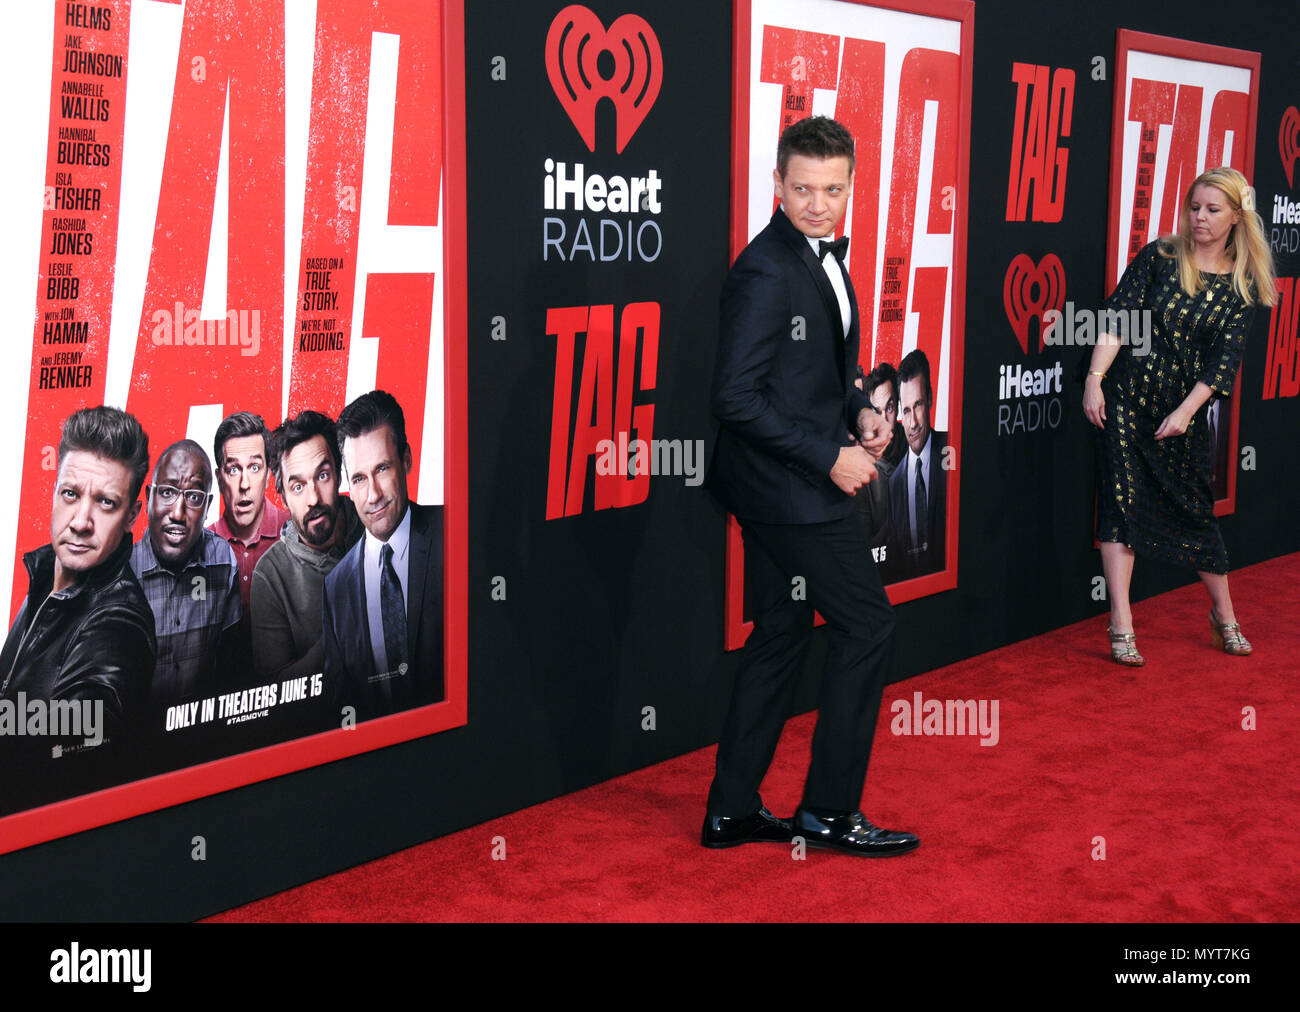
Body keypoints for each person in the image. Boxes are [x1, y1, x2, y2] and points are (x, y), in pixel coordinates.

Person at [704, 116, 918, 857]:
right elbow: (733, 397)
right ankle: (828, 811)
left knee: (783, 631)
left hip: (773, 485)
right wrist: (828, 458)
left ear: (852, 187)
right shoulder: (766, 268)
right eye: (802, 188)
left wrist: (859, 408)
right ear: (777, 186)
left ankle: (731, 810)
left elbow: (816, 374)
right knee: (868, 627)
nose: (817, 204)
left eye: (831, 189)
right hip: (787, 490)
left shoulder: (822, 260)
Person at [1083, 166, 1276, 665]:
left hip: (1181, 414)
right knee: (1120, 502)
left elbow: (1222, 364)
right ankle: (1121, 623)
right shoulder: (1161, 257)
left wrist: (1187, 413)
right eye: (1195, 207)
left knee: (1194, 512)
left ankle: (1222, 615)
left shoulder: (1243, 285)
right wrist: (1094, 379)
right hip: (1126, 398)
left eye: (1213, 210)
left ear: (1236, 216)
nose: (1200, 218)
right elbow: (1120, 317)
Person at [0, 406, 156, 811]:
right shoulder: (44, 577)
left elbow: (77, 740)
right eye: (71, 494)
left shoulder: (118, 622)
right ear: (54, 491)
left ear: (130, 517)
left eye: (106, 502)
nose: (81, 521)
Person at [322, 391, 444, 722]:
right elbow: (340, 710)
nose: (372, 494)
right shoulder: (335, 588)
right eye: (359, 478)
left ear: (406, 459)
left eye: (382, 468)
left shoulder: (453, 534)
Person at [251, 410, 362, 683]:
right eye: (298, 486)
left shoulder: (376, 526)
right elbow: (274, 690)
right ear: (284, 499)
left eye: (322, 476)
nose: (313, 498)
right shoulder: (270, 575)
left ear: (339, 474)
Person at [130, 440, 242, 707]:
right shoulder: (122, 572)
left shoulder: (222, 561)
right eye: (167, 492)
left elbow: (234, 668)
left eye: (193, 497)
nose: (178, 513)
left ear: (207, 508)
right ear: (149, 498)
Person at [210, 411, 290, 613]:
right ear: (219, 479)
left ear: (268, 474)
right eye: (233, 470)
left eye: (254, 467)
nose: (244, 484)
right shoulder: (201, 546)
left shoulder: (295, 533)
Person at [886, 349, 948, 580]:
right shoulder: (894, 483)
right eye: (906, 410)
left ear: (930, 399)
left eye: (919, 405)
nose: (913, 423)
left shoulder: (954, 449)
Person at [854, 362, 904, 557]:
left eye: (889, 408)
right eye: (876, 411)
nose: (883, 420)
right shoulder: (862, 473)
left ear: (898, 406)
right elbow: (865, 553)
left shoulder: (919, 449)